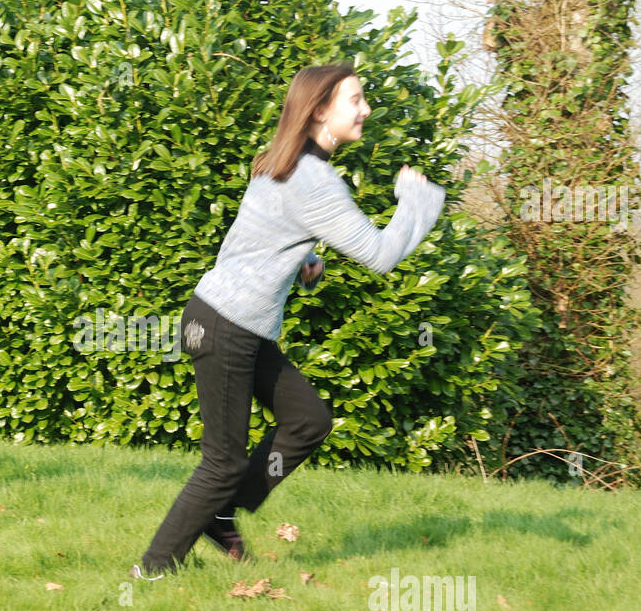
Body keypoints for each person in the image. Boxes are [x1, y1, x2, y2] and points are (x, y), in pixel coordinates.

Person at [133, 63, 445, 578]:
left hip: (233, 324)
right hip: (226, 326)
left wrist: (302, 263)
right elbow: (381, 254)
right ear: (320, 109)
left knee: (308, 422)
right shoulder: (312, 178)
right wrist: (417, 200)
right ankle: (153, 569)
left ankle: (219, 517)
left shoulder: (288, 163)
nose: (366, 110)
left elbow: (256, 236)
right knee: (223, 462)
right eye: (356, 100)